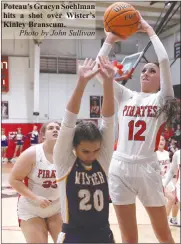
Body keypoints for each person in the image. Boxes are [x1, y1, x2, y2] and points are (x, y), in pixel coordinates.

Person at [95, 14, 175, 243]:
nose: (146, 73)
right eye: (143, 70)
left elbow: (164, 61)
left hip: (146, 168)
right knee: (128, 237)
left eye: (152, 71)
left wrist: (150, 30)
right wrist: (109, 40)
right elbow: (101, 73)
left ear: (161, 78)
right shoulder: (125, 95)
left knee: (163, 235)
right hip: (119, 165)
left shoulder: (162, 99)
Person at [54, 57, 115, 243]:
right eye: (86, 152)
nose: (91, 156)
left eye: (96, 150)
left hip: (103, 233)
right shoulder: (64, 162)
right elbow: (68, 122)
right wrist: (81, 83)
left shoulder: (102, 160)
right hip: (73, 235)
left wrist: (108, 83)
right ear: (74, 148)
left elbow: (109, 120)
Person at [9, 122, 62, 243]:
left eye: (58, 128)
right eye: (51, 128)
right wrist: (36, 198)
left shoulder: (67, 155)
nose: (55, 130)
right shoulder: (31, 153)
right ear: (43, 135)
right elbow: (13, 180)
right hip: (32, 208)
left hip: (57, 208)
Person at [156, 135, 179, 225]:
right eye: (159, 140)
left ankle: (173, 219)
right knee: (171, 198)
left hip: (167, 180)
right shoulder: (154, 154)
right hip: (158, 181)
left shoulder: (167, 153)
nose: (161, 141)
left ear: (165, 142)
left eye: (163, 140)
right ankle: (164, 221)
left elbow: (170, 169)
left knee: (176, 200)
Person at [163, 150, 180, 226]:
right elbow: (171, 171)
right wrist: (164, 184)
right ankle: (170, 220)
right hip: (179, 186)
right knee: (173, 200)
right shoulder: (178, 154)